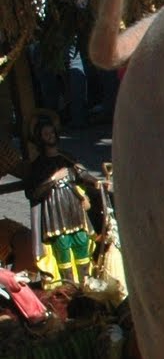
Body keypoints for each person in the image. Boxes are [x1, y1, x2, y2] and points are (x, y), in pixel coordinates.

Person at [25, 110, 99, 285]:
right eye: (45, 134)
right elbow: (33, 193)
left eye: (51, 132)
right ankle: (69, 287)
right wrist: (53, 179)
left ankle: (86, 283)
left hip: (74, 211)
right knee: (63, 247)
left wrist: (98, 183)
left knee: (82, 244)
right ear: (39, 138)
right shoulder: (37, 166)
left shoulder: (67, 158)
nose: (50, 136)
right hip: (55, 216)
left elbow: (82, 173)